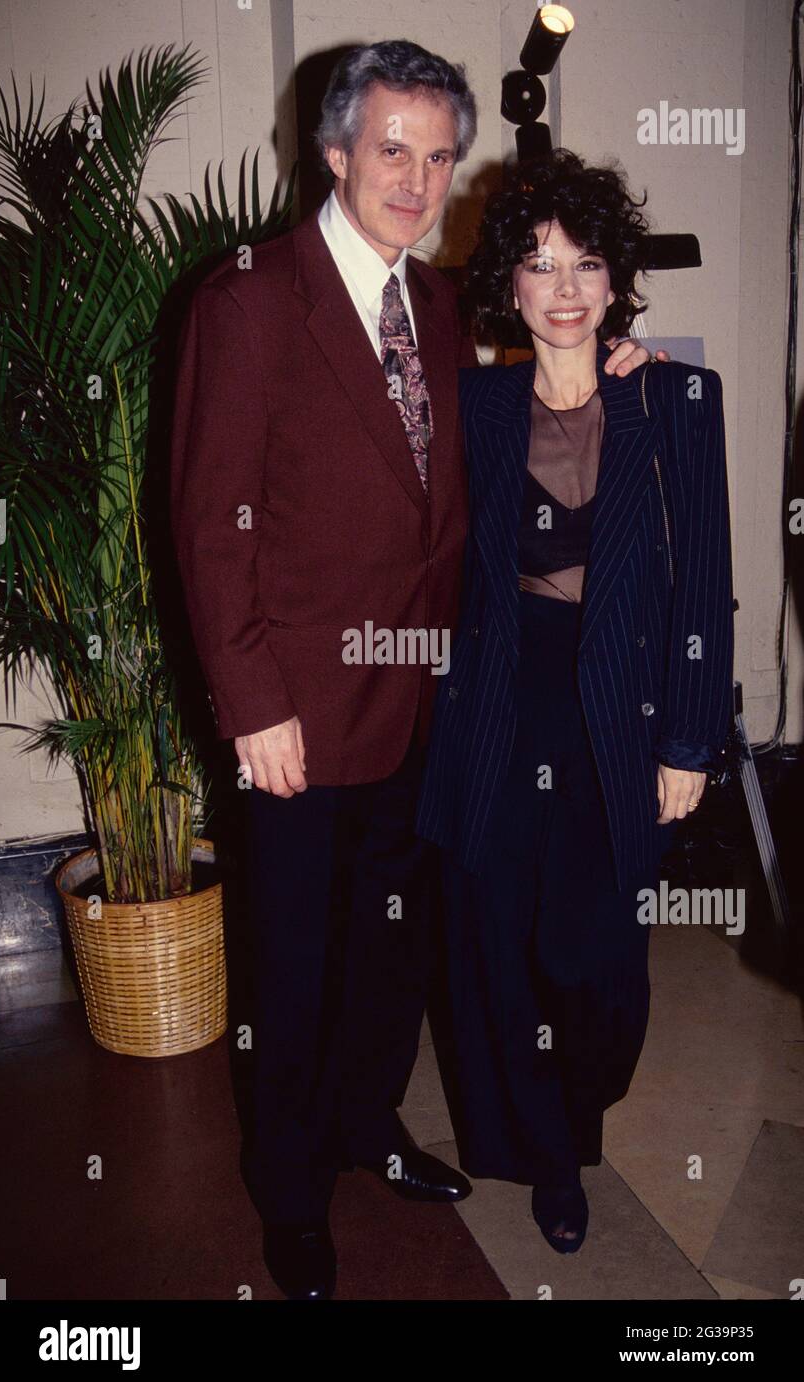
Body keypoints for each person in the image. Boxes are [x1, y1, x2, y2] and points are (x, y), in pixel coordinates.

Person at [170, 43, 659, 1300]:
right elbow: (208, 520)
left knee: (389, 951)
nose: (417, 179)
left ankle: (365, 1124)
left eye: (438, 157)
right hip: (296, 715)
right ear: (335, 152)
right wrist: (252, 703)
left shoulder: (435, 303)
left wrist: (619, 365)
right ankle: (290, 1192)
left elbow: (517, 414)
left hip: (424, 703)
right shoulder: (248, 301)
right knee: (291, 966)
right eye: (392, 149)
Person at [416, 149, 735, 1254]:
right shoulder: (476, 403)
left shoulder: (675, 396)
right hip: (502, 707)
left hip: (620, 710)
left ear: (614, 280)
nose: (563, 287)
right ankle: (552, 1159)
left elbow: (703, 578)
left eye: (585, 263)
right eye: (539, 264)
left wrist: (688, 740)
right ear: (508, 283)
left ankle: (578, 1103)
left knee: (596, 959)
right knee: (503, 941)